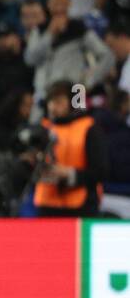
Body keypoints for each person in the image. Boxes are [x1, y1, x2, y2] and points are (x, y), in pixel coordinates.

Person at [32, 80, 108, 217]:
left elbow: (100, 171)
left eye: (59, 101)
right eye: (51, 102)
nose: (53, 107)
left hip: (80, 206)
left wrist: (69, 174)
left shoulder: (88, 128)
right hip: (47, 205)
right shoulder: (42, 128)